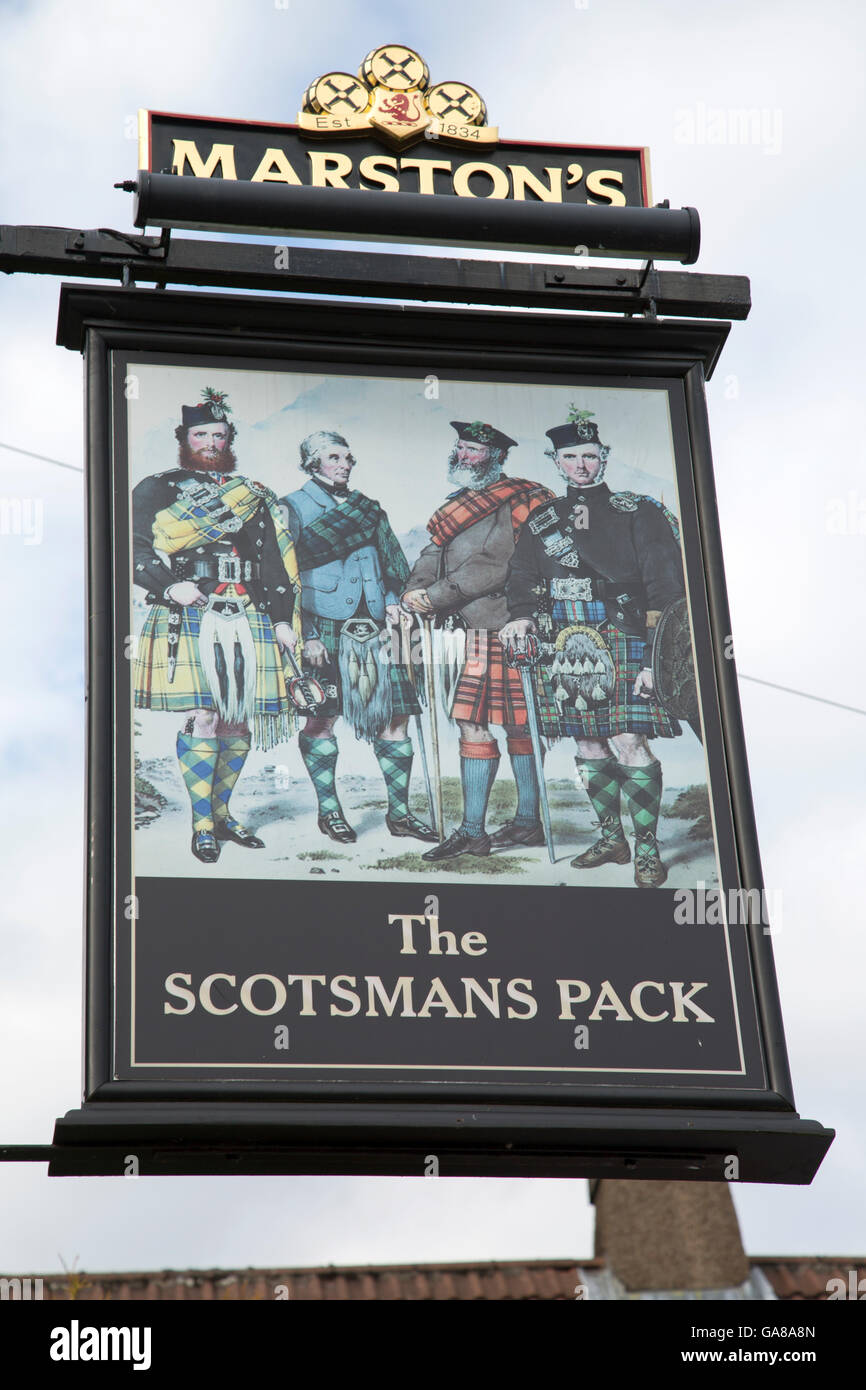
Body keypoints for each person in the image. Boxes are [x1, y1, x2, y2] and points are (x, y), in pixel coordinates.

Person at [499, 409, 686, 887]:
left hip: (622, 632)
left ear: (604, 457)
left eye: (589, 455)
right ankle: (611, 838)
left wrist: (652, 661)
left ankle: (646, 849)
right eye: (570, 457)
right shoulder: (543, 519)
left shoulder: (639, 511)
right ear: (555, 462)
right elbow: (521, 576)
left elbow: (665, 589)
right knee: (586, 741)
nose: (581, 465)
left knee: (629, 740)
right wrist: (521, 614)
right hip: (563, 636)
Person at [132, 388, 300, 864]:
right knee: (205, 715)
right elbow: (132, 546)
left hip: (248, 610)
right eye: (201, 434)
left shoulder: (252, 493)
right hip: (191, 608)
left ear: (229, 440)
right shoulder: (155, 487)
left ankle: (222, 813)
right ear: (183, 437)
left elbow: (272, 562)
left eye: (219, 435)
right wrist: (168, 587)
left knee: (238, 716)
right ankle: (201, 822)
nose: (210, 442)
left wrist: (283, 621)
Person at [402, 420, 554, 860]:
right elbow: (431, 554)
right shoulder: (456, 506)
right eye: (460, 447)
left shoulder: (521, 499)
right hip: (463, 629)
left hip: (504, 625)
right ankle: (488, 829)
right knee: (483, 722)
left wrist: (433, 598)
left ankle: (511, 825)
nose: (463, 456)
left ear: (497, 458)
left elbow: (494, 565)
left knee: (511, 723)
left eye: (473, 450)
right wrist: (412, 595)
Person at [281, 430, 433, 844]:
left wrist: (392, 600)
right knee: (321, 717)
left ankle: (400, 815)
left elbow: (390, 564)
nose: (345, 465)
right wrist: (306, 633)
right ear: (312, 463)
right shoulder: (291, 507)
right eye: (334, 458)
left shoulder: (369, 508)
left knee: (396, 716)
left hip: (379, 626)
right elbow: (284, 579)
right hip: (323, 626)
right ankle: (329, 812)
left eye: (348, 458)